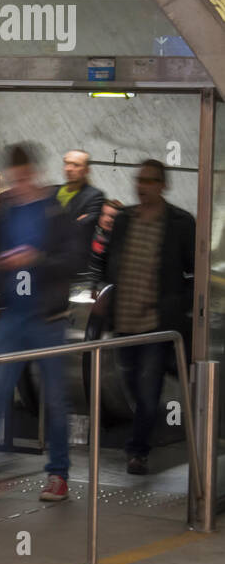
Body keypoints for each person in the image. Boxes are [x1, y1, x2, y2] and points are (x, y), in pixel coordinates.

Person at [0, 143, 87, 501]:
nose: (19, 186)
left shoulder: (55, 212)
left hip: (48, 318)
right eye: (15, 180)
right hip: (13, 315)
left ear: (34, 174)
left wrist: (35, 259)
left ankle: (58, 475)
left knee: (55, 399)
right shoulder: (6, 211)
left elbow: (74, 261)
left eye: (24, 179)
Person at [102, 159, 194, 475]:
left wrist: (179, 305)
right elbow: (110, 261)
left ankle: (137, 450)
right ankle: (141, 434)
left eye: (150, 181)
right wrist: (104, 293)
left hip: (156, 323)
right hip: (124, 319)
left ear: (163, 185)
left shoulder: (180, 222)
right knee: (131, 382)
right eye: (140, 180)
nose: (143, 186)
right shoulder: (124, 219)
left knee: (148, 387)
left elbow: (194, 270)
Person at [54, 149, 106, 254]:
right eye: (67, 163)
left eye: (76, 165)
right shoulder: (53, 191)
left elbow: (83, 227)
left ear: (87, 170)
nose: (69, 169)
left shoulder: (95, 196)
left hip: (73, 257)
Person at [88, 198, 123, 291]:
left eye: (112, 217)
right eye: (102, 214)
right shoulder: (99, 238)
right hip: (103, 286)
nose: (106, 219)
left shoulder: (125, 237)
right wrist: (94, 287)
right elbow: (95, 265)